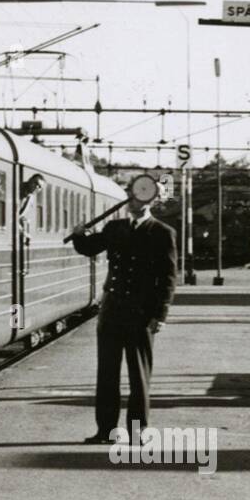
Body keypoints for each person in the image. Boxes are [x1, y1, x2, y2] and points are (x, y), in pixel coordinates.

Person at [70, 176, 177, 444]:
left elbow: (168, 278)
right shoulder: (115, 227)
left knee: (138, 375)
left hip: (141, 313)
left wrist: (160, 316)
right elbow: (90, 247)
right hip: (112, 309)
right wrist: (79, 234)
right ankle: (105, 430)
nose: (134, 200)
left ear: (151, 201)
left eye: (142, 196)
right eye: (132, 194)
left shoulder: (162, 232)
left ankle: (138, 433)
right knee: (106, 372)